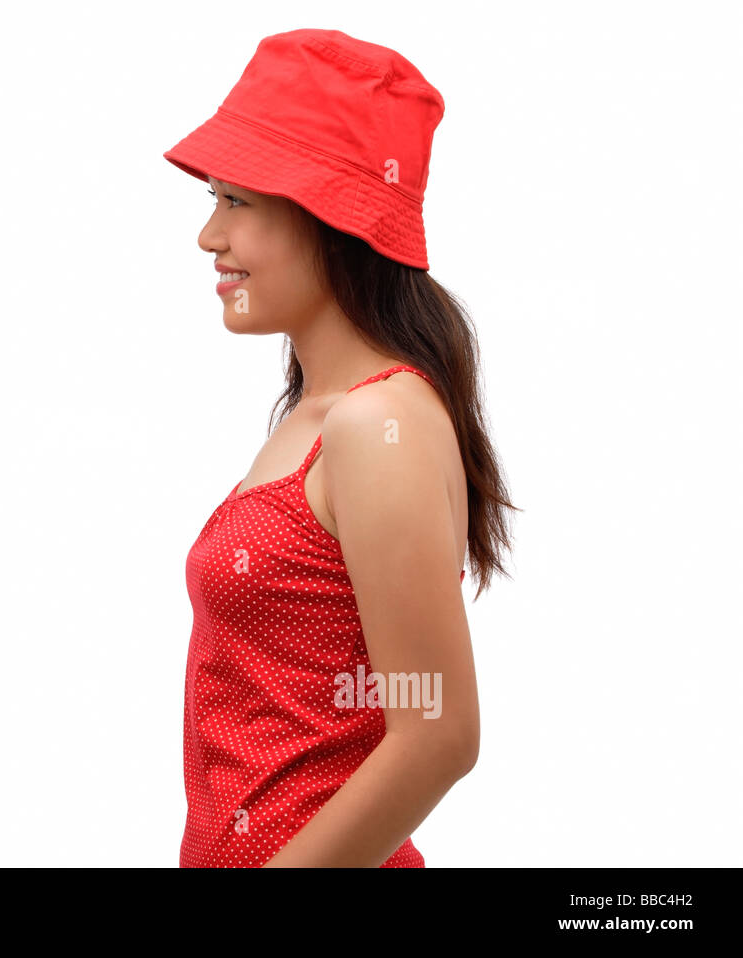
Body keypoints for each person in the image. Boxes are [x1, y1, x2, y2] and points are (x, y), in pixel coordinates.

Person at [163, 29, 517, 867]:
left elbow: (438, 734)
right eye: (213, 201)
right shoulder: (315, 418)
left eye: (237, 203)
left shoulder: (375, 425)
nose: (208, 237)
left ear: (332, 218)